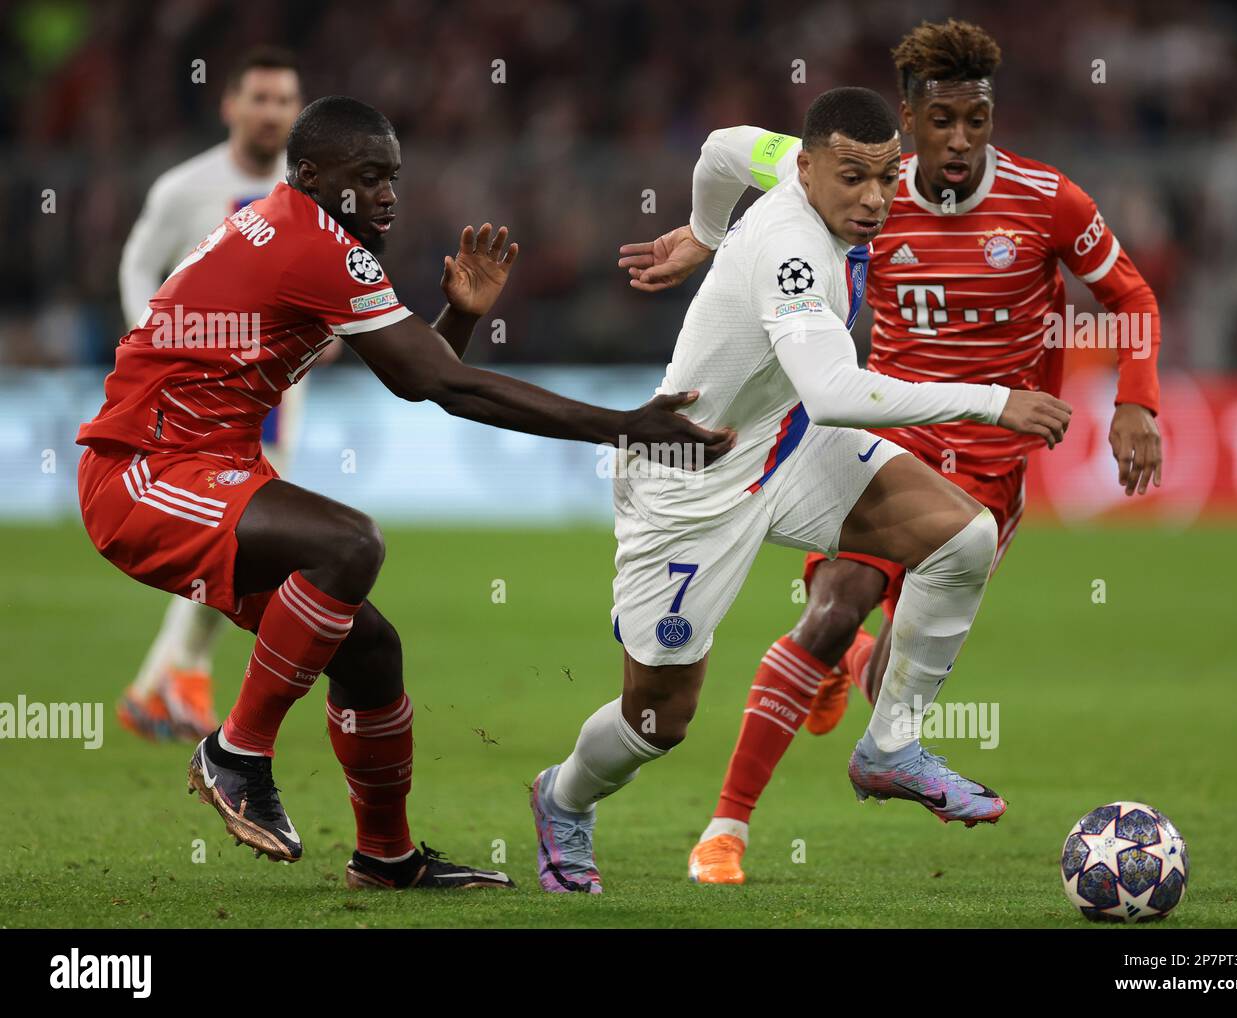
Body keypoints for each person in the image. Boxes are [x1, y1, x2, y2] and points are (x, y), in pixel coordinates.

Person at [77, 95, 734, 891]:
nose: (388, 194)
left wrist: (454, 321)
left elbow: (418, 377)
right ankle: (236, 752)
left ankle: (385, 857)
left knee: (370, 650)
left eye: (393, 176)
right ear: (313, 176)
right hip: (143, 473)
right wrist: (624, 426)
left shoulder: (301, 228)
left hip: (208, 466)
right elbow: (447, 389)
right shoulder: (317, 246)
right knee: (350, 543)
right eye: (368, 177)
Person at [619, 19, 1163, 885]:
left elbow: (1128, 293)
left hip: (992, 464)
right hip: (887, 433)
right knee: (832, 611)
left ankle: (869, 683)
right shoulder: (869, 192)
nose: (959, 140)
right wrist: (707, 236)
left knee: (886, 666)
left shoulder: (1049, 200)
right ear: (907, 119)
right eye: (941, 120)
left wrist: (1137, 399)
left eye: (975, 122)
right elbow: (747, 175)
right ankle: (725, 833)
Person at [530, 86, 1072, 894]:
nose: (874, 199)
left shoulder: (792, 158)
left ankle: (889, 746)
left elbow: (718, 146)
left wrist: (704, 236)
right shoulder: (793, 250)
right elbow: (836, 392)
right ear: (812, 169)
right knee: (657, 721)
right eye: (853, 178)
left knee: (962, 538)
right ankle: (563, 798)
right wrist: (997, 400)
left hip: (783, 446)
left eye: (888, 178)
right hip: (692, 482)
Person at [116, 46, 316, 742]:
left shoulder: (307, 188)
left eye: (284, 101)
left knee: (241, 529)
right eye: (258, 98)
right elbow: (138, 262)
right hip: (195, 392)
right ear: (229, 105)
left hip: (275, 393)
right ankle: (176, 679)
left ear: (297, 112)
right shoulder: (186, 188)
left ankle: (161, 684)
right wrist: (155, 341)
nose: (271, 113)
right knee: (234, 527)